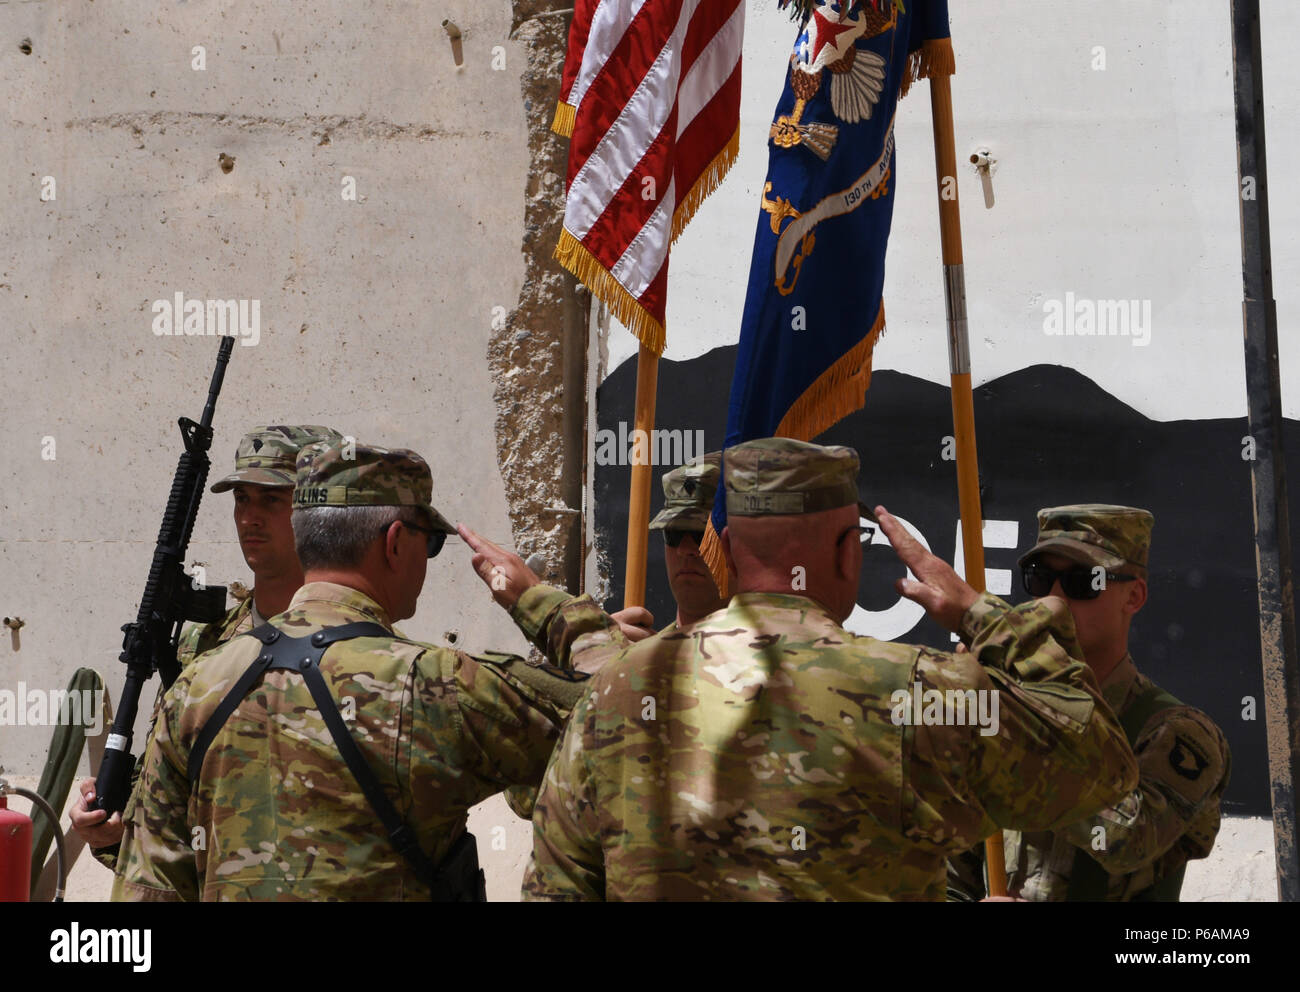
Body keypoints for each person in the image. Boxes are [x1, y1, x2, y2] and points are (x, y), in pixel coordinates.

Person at [520, 437, 1140, 901]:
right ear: (850, 554)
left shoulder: (617, 688)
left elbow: (556, 887)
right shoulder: (916, 693)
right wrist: (984, 614)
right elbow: (1100, 764)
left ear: (726, 550)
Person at [111, 441, 603, 901]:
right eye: (429, 543)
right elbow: (631, 717)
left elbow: (147, 891)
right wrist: (549, 610)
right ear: (394, 542)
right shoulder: (438, 684)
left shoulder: (196, 687)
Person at [70, 424, 342, 868]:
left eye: (271, 500)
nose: (248, 518)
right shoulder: (201, 646)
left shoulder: (352, 645)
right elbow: (166, 798)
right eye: (241, 500)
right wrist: (109, 831)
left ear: (315, 508)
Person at [990, 505, 1231, 901]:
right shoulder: (1007, 709)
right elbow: (952, 871)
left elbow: (1128, 839)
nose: (1052, 600)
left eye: (1082, 582)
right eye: (1041, 579)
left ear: (1133, 595)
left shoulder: (1175, 732)